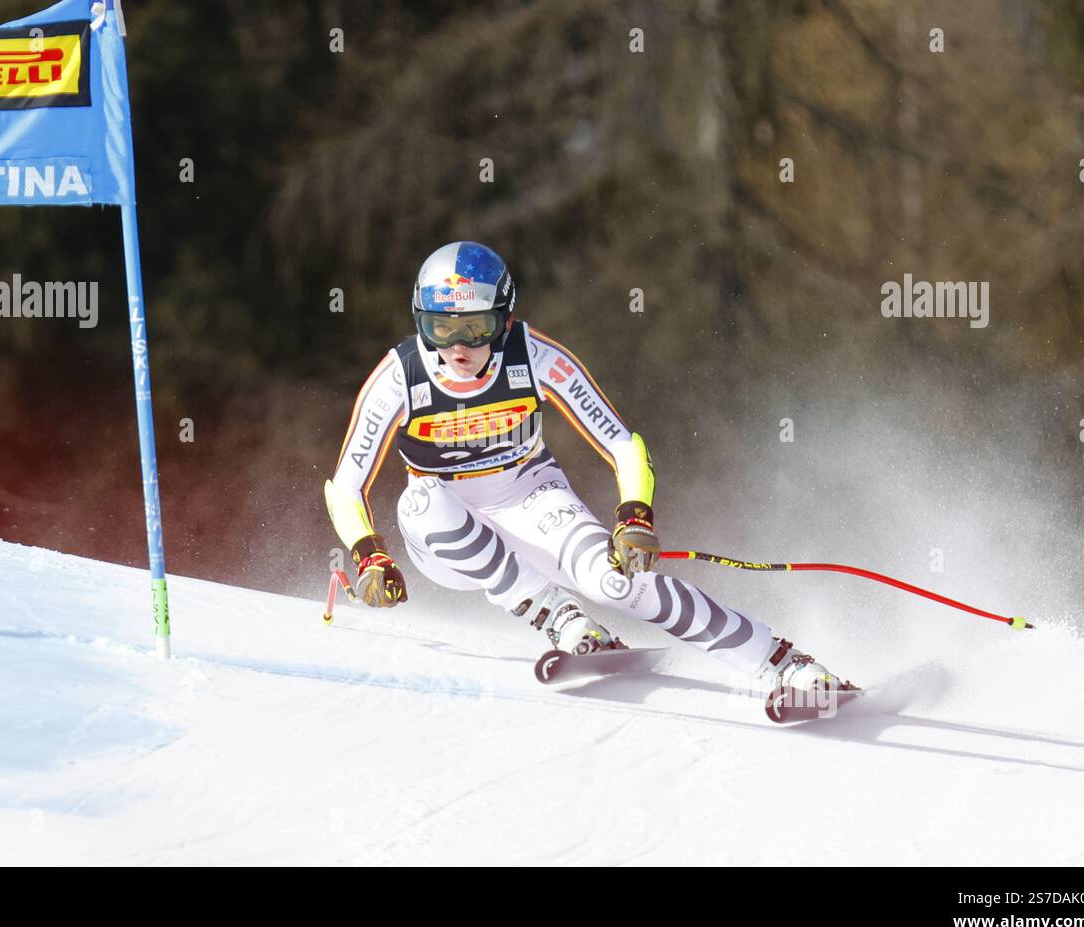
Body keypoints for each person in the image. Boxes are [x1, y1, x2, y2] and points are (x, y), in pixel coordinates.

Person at [324, 240, 846, 695]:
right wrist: (370, 556)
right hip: (447, 536)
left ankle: (781, 663)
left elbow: (623, 443)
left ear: (503, 321)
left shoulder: (534, 357)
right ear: (421, 321)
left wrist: (634, 515)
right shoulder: (402, 377)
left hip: (531, 497)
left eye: (476, 327)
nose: (458, 347)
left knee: (617, 583)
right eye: (441, 328)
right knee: (419, 499)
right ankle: (559, 616)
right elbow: (346, 485)